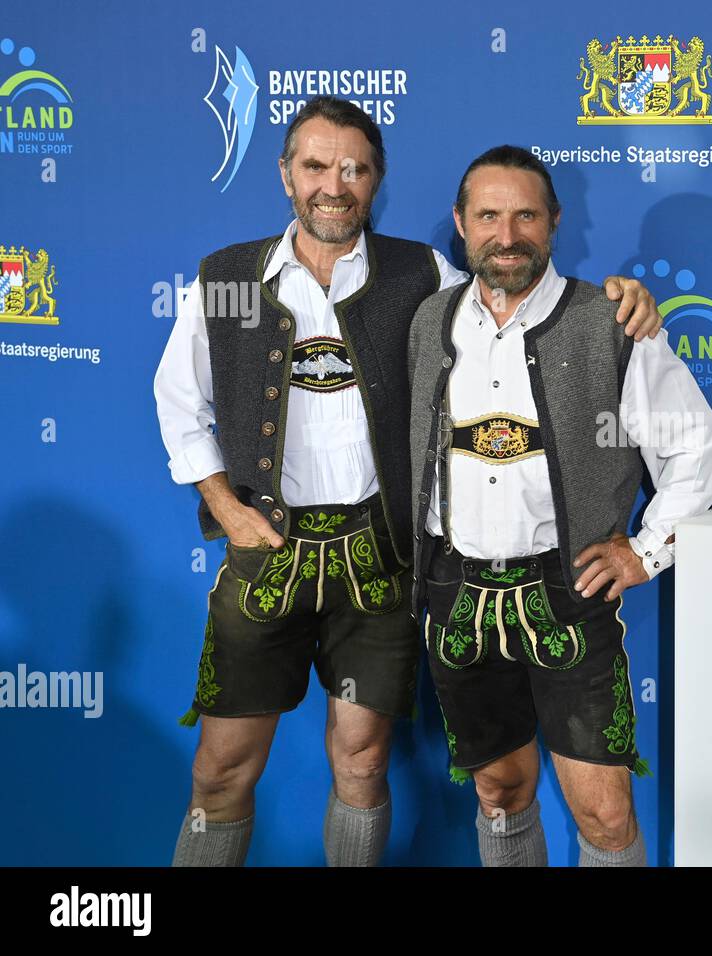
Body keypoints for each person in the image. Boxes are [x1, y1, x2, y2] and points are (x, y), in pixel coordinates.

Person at [154, 97, 662, 867]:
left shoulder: (423, 273)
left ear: (376, 180)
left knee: (360, 761)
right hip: (267, 554)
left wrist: (622, 301)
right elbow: (177, 400)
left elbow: (513, 296)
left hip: (382, 562)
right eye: (316, 166)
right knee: (219, 770)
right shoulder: (225, 278)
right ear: (285, 175)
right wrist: (223, 504)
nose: (335, 184)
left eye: (354, 168)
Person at [409, 145, 712, 867]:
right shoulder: (429, 321)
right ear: (461, 225)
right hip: (456, 592)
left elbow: (697, 453)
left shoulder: (611, 323)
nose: (507, 234)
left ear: (554, 224)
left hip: (567, 590)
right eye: (488, 215)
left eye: (526, 215)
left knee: (606, 815)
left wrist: (645, 553)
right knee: (498, 789)